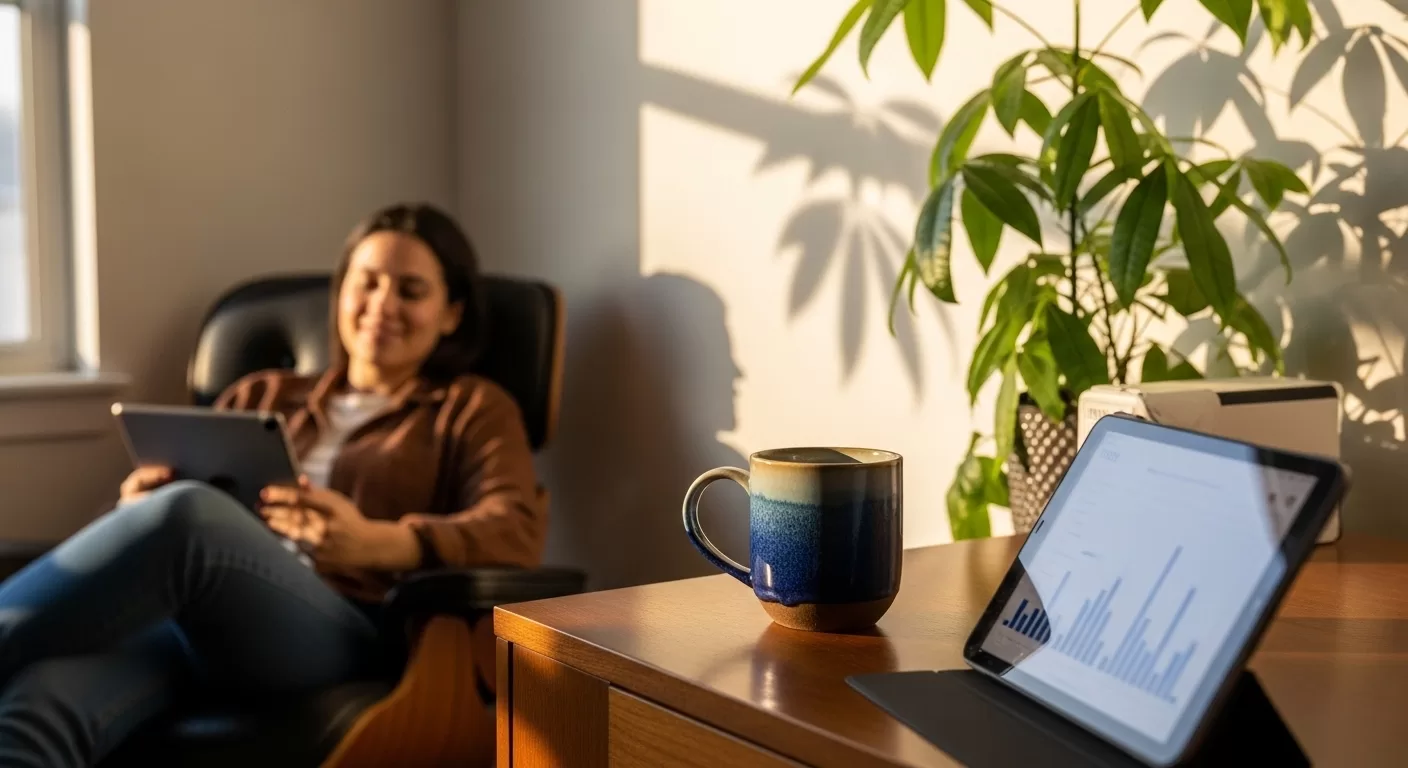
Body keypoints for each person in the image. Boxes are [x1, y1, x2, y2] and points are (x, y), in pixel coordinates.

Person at [0, 203, 545, 767]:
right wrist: (132, 506)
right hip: (188, 621)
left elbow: (517, 529)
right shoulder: (261, 394)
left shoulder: (471, 408)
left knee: (188, 514)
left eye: (410, 291)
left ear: (451, 313)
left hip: (340, 631)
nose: (383, 305)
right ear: (341, 295)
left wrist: (382, 542)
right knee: (38, 701)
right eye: (368, 284)